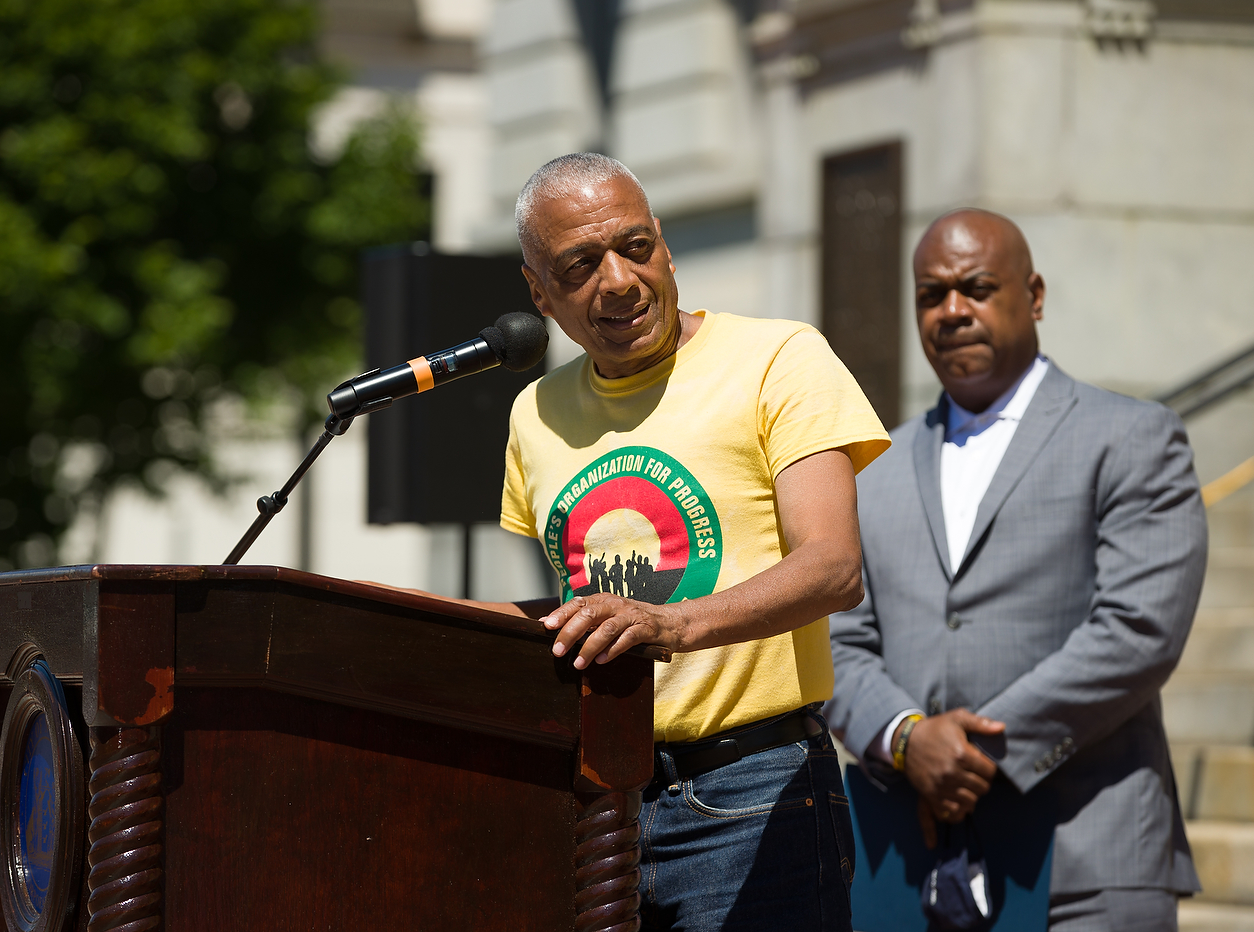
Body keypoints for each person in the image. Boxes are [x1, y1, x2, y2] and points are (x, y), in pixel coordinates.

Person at [500, 152, 890, 931]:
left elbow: (835, 566)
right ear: (538, 292)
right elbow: (569, 612)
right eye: (580, 265)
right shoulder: (531, 414)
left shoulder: (779, 358)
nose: (617, 279)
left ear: (666, 245)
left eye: (635, 246)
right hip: (593, 801)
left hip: (750, 789)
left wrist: (672, 625)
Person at [826, 209, 1207, 930]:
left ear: (1033, 295)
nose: (952, 311)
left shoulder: (1131, 438)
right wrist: (907, 738)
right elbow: (836, 641)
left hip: (1087, 860)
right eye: (931, 295)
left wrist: (972, 753)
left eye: (975, 287)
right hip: (911, 865)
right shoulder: (871, 471)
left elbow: (1139, 630)